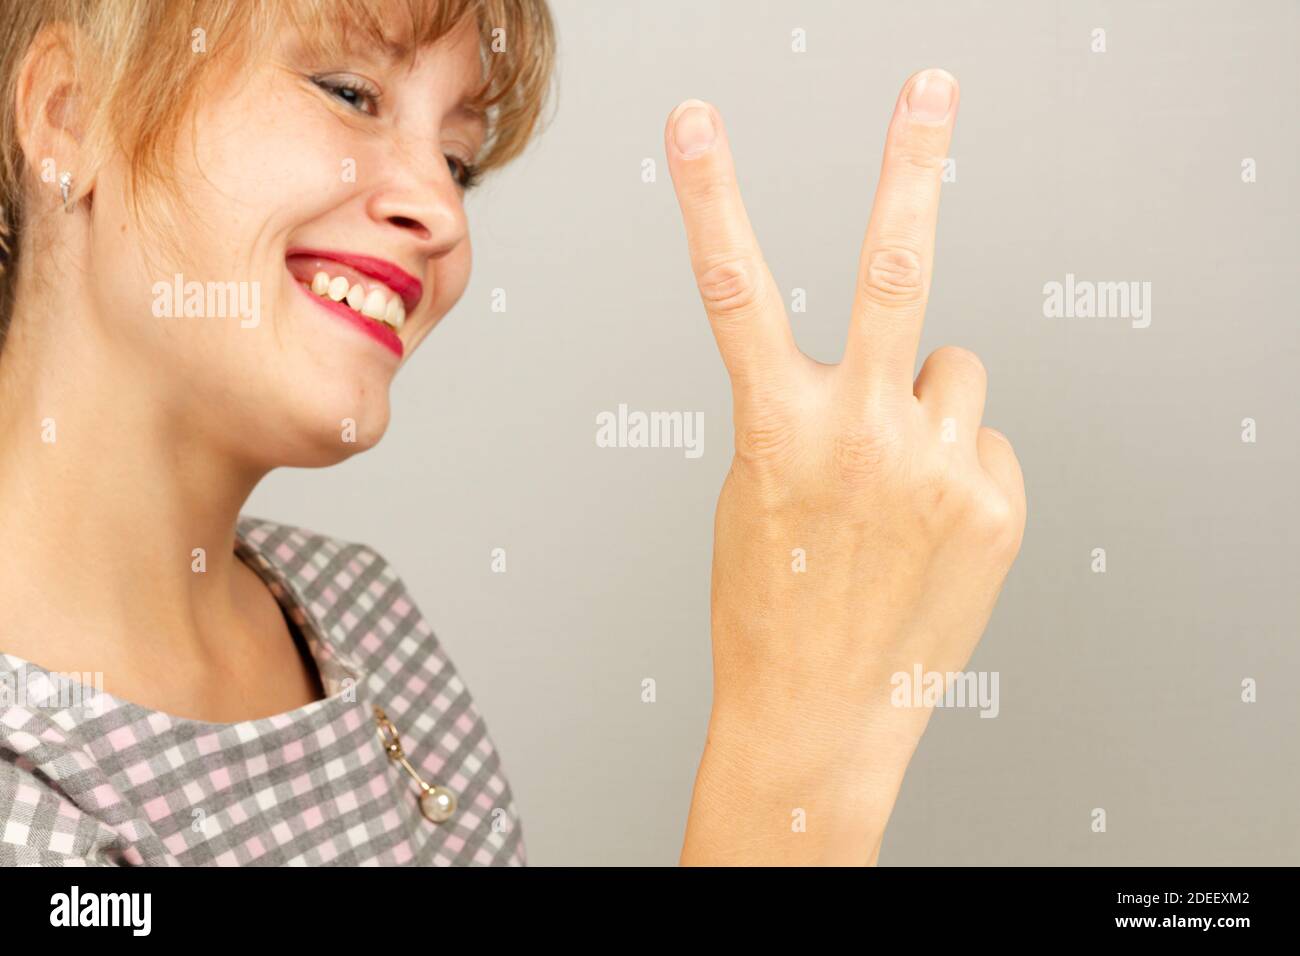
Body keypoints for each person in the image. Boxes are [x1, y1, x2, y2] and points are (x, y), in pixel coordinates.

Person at [0, 0, 1023, 867]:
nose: (440, 210)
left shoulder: (360, 618)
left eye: (458, 160)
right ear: (68, 113)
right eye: (349, 93)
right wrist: (804, 740)